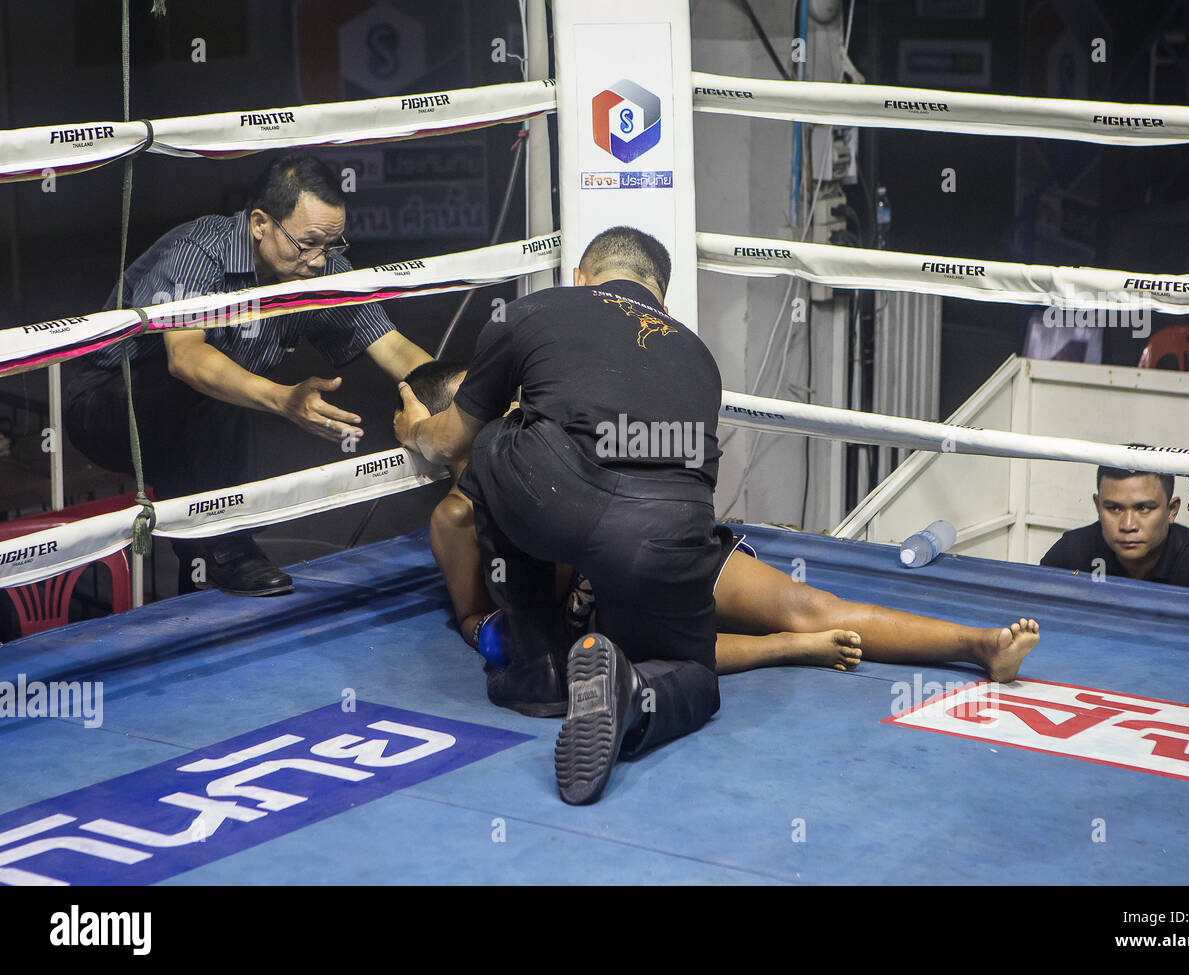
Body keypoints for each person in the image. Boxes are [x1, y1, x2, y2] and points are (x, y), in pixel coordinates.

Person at [403, 359, 1042, 683]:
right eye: (481, 405)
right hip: (595, 610)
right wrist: (529, 623)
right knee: (602, 652)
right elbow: (472, 619)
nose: (506, 407)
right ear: (447, 430)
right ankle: (784, 651)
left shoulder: (544, 441)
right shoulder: (457, 515)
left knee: (810, 605)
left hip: (665, 553)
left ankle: (978, 644)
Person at [395, 226, 728, 805]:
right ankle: (634, 688)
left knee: (498, 431)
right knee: (697, 674)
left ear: (580, 277)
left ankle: (540, 666)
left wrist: (415, 428)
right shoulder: (699, 353)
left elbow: (451, 443)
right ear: (662, 300)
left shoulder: (533, 309)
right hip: (676, 528)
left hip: (564, 503)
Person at [64, 154, 432, 596]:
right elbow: (186, 358)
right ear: (260, 223)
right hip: (107, 406)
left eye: (332, 246)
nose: (318, 261)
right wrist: (282, 398)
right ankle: (229, 551)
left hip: (192, 432)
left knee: (212, 420)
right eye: (307, 243)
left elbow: (390, 344)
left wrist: (465, 394)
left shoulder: (319, 265)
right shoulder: (202, 252)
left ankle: (206, 575)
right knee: (213, 376)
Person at [1040, 460, 1189, 592]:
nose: (1128, 525)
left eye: (1143, 508)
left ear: (1171, 510)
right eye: (1114, 508)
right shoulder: (1070, 554)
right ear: (1098, 506)